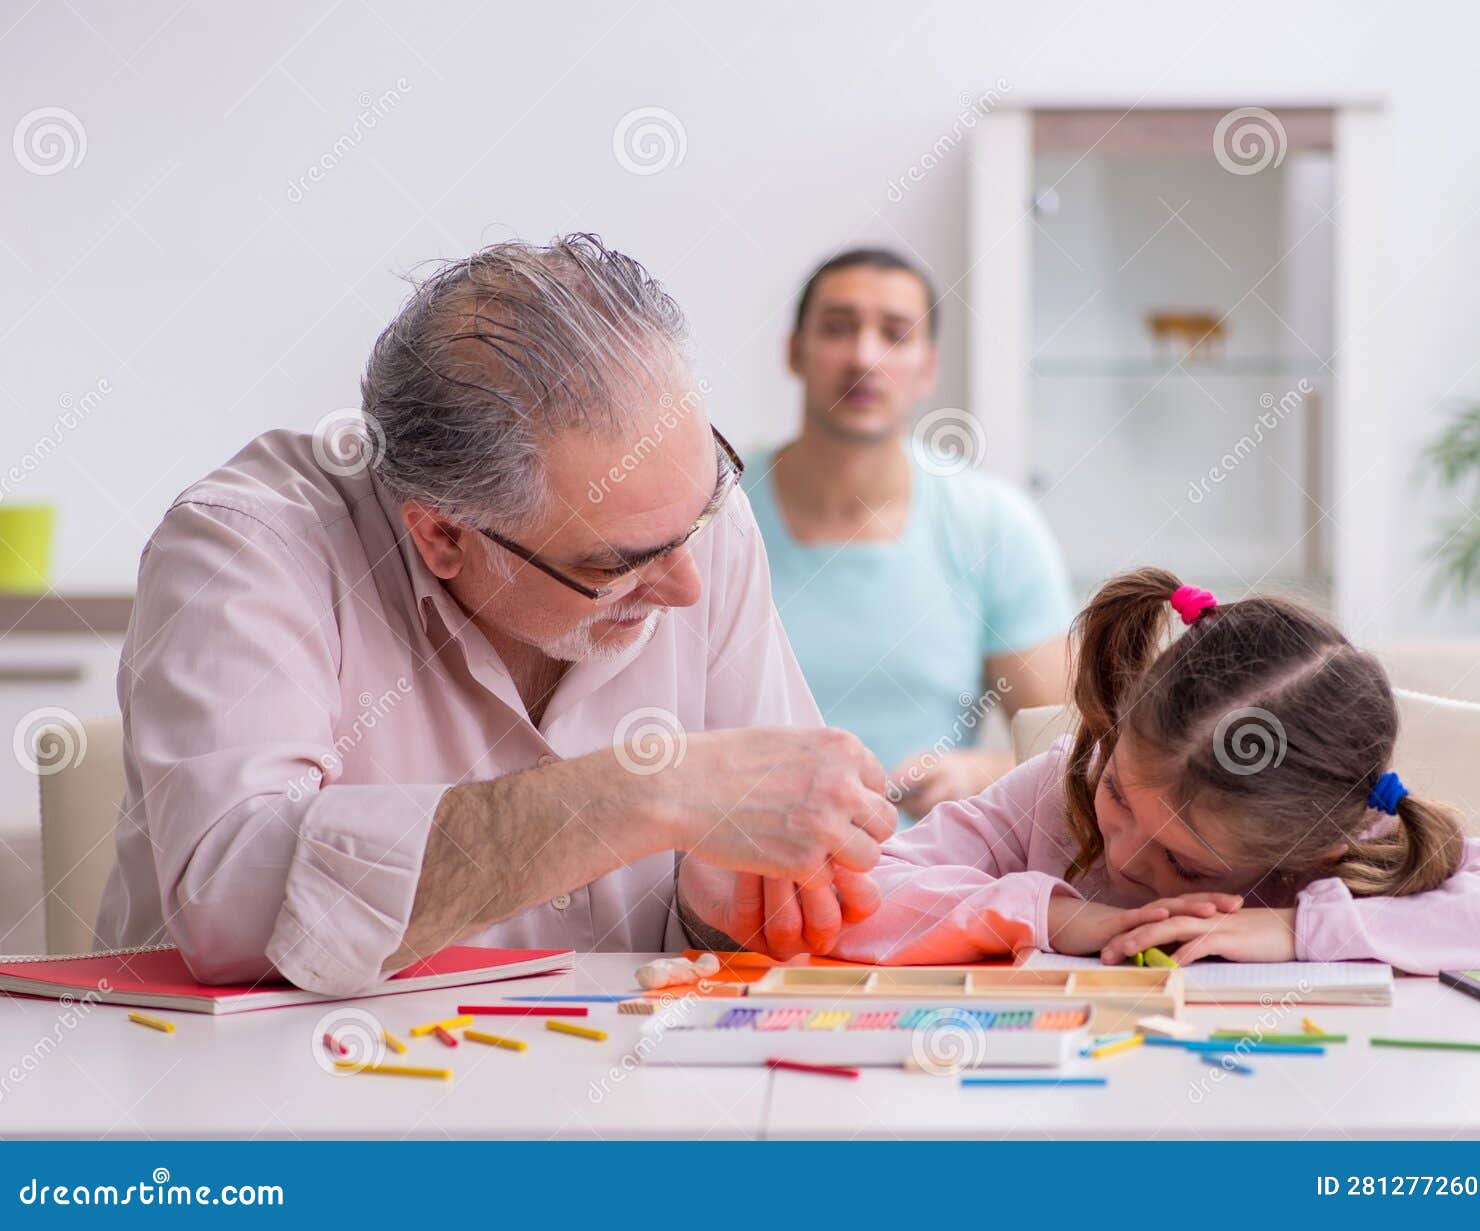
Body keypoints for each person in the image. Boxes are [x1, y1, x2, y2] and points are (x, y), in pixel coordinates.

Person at [95, 235, 893, 994]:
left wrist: (720, 914)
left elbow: (772, 890)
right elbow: (235, 904)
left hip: (619, 1069)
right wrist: (644, 794)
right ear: (443, 535)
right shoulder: (249, 547)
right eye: (616, 566)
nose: (687, 586)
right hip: (278, 1078)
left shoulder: (682, 522)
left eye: (702, 514)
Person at [806, 568, 1480, 972]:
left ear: (1309, 848)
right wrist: (1057, 915)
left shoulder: (1341, 849)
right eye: (1120, 796)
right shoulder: (1057, 790)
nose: (1123, 856)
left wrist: (1294, 929)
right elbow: (848, 900)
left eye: (1184, 862)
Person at [744, 248, 1073, 822]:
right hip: (736, 868)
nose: (864, 357)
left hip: (930, 866)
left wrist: (979, 775)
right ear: (794, 351)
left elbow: (1071, 745)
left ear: (927, 367)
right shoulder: (714, 514)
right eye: (838, 328)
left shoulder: (992, 524)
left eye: (895, 334)